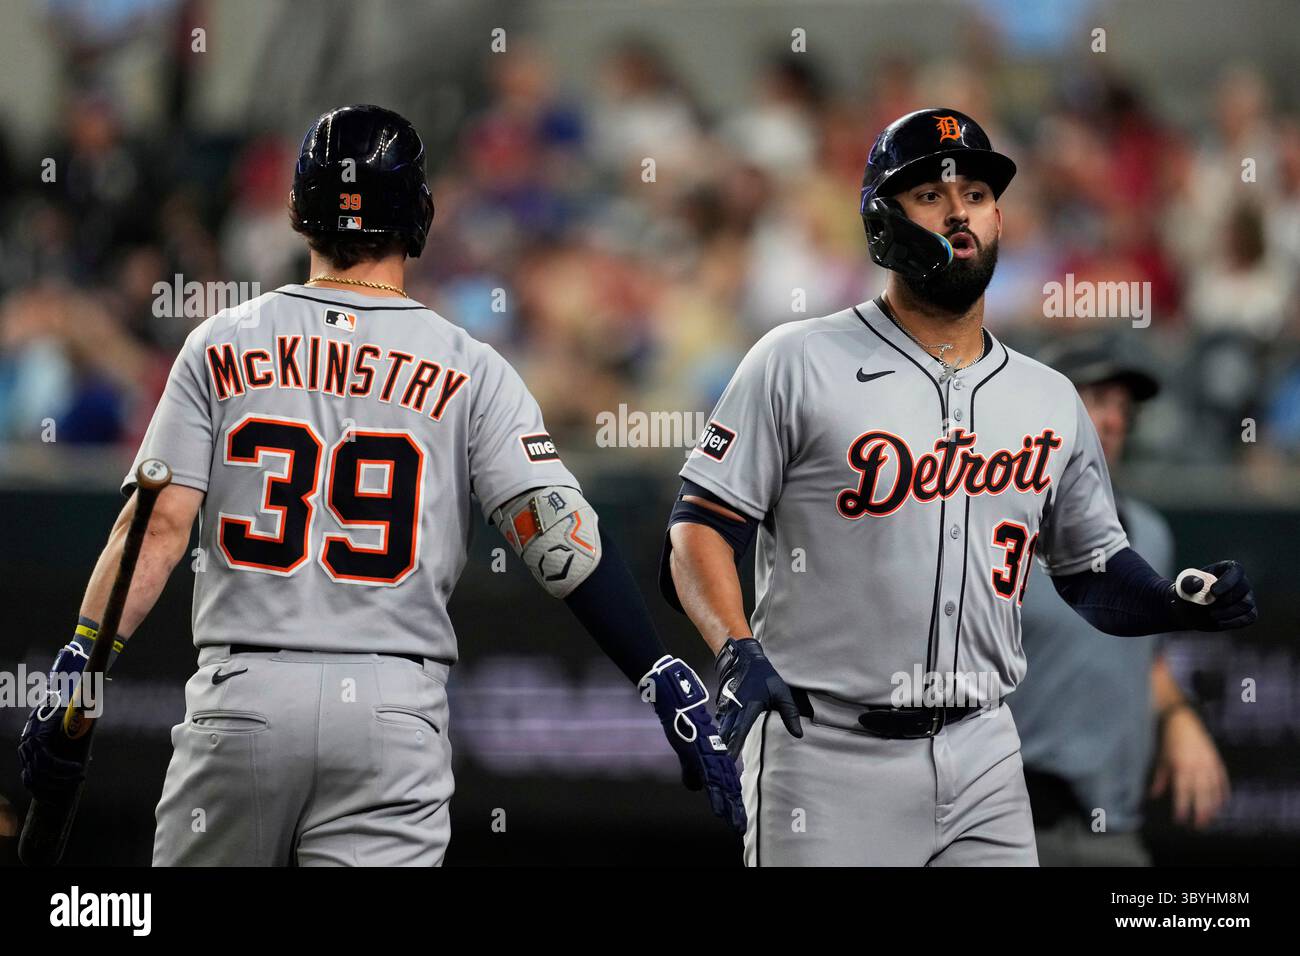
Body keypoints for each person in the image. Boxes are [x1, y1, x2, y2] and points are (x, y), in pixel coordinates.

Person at [19, 105, 743, 866]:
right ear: (417, 215)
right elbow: (559, 541)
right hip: (393, 711)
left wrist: (82, 659)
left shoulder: (220, 341)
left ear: (299, 210)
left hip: (241, 697)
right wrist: (657, 669)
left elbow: (158, 530)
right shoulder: (470, 366)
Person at [659, 108, 1258, 866]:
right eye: (930, 195)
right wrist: (735, 648)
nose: (958, 212)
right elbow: (698, 528)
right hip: (827, 752)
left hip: (986, 751)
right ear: (882, 221)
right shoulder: (796, 360)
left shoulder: (1048, 397)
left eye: (975, 194)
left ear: (1000, 217)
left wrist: (1171, 603)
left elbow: (1091, 570)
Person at [1009, 338, 1230, 866]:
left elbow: (1145, 657)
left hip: (1111, 832)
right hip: (1006, 826)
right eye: (1093, 400)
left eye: (1122, 407)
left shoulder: (1149, 534)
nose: (1111, 420)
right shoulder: (995, 525)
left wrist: (1177, 716)